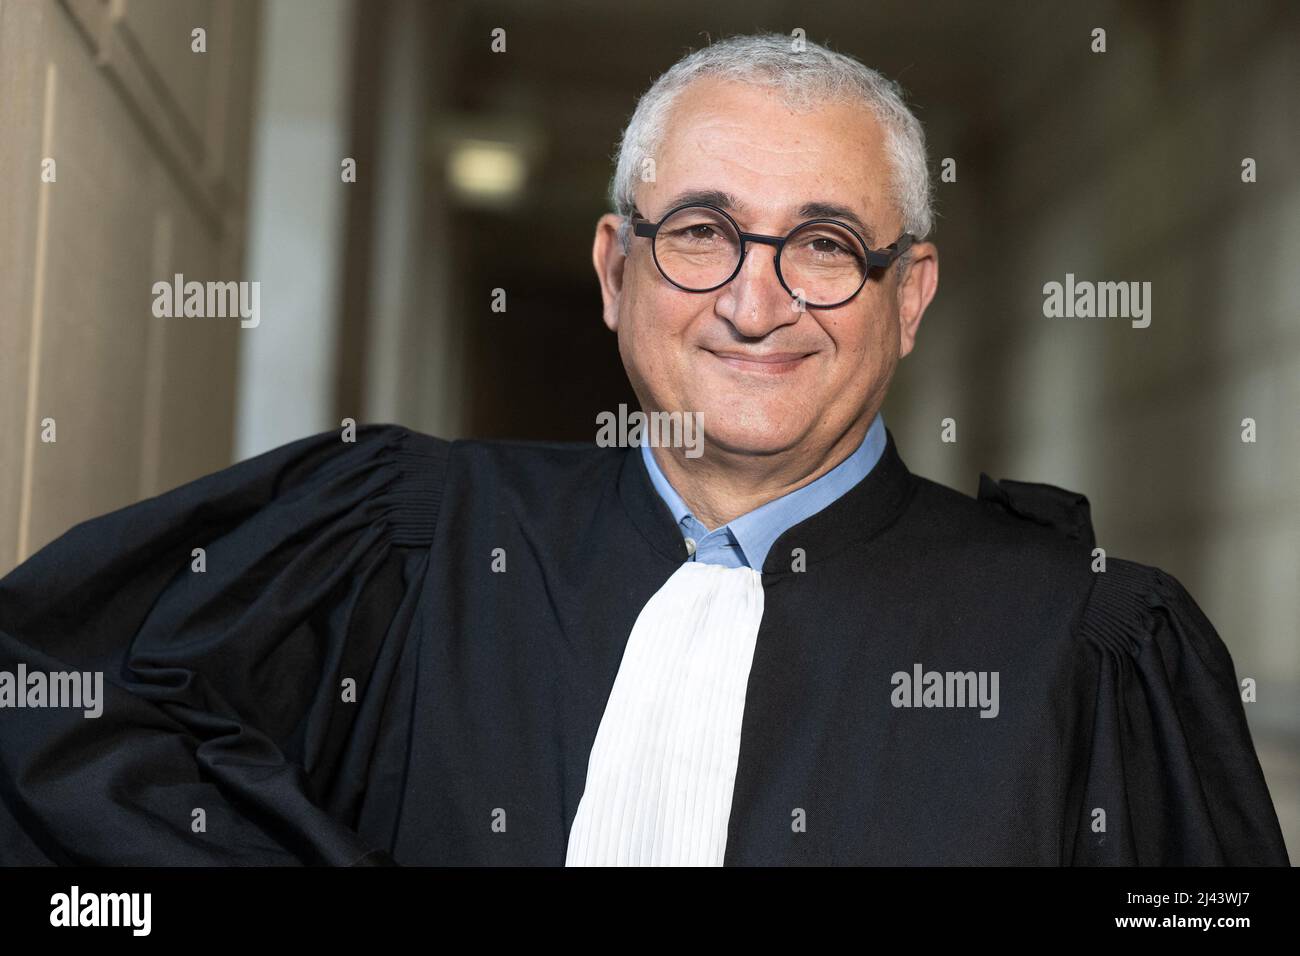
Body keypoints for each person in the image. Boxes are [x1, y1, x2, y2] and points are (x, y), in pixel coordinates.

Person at [0, 33, 1288, 866]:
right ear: (616, 269)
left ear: (910, 295)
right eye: (702, 231)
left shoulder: (1091, 648)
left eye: (827, 245)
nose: (754, 300)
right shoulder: (407, 540)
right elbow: (43, 714)